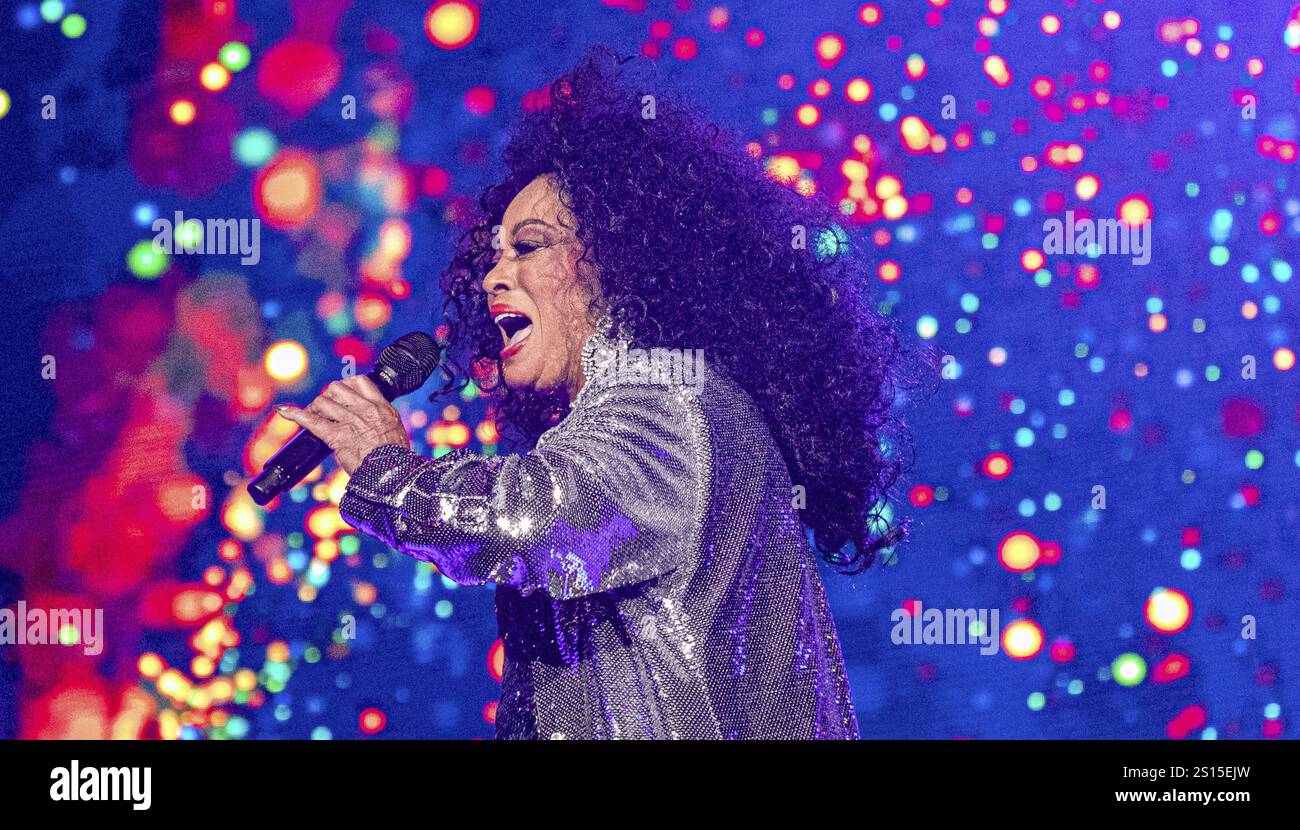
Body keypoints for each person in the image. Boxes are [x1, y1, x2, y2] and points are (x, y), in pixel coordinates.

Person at [276, 50, 907, 739]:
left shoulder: (669, 401)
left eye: (528, 247)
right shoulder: (659, 405)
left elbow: (532, 518)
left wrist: (387, 472)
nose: (493, 279)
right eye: (492, 257)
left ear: (621, 255)